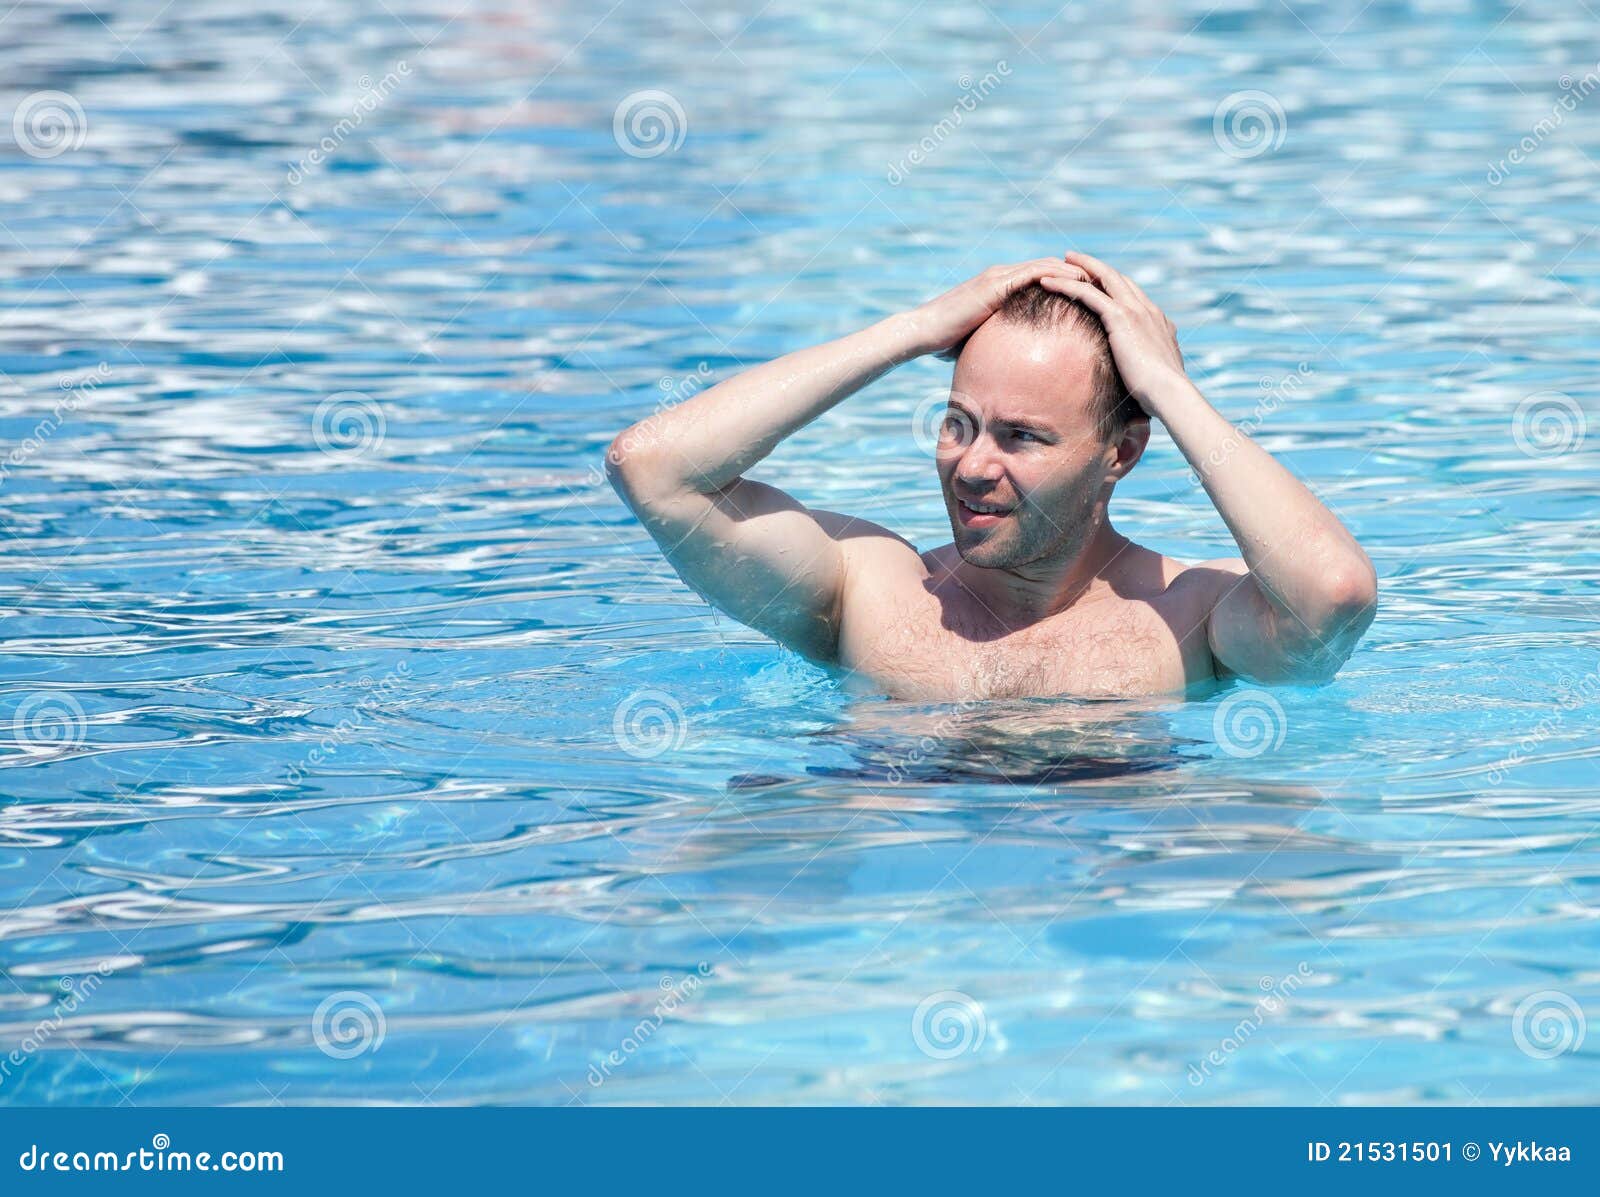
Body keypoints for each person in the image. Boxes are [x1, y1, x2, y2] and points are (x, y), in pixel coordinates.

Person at [605, 253, 1377, 700]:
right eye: (957, 424)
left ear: (1121, 453)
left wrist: (1169, 390)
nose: (973, 465)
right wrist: (910, 331)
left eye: (1021, 437)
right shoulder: (869, 590)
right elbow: (652, 468)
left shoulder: (1189, 620)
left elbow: (1333, 595)